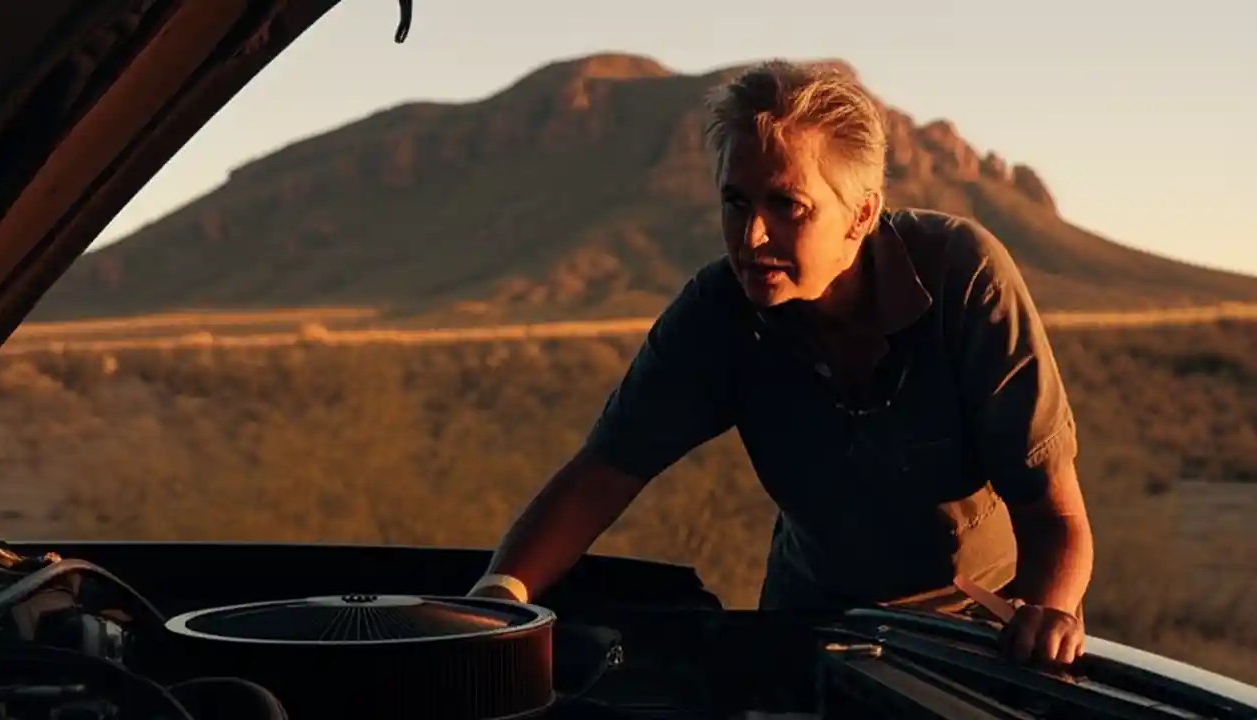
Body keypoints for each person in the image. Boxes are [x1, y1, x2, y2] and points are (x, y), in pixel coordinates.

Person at [468, 60, 1094, 667]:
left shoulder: (964, 277)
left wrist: (1045, 619)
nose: (751, 237)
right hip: (810, 625)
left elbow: (1056, 516)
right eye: (736, 202)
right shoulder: (717, 313)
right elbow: (602, 475)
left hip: (966, 633)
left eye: (787, 205)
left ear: (862, 214)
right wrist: (497, 603)